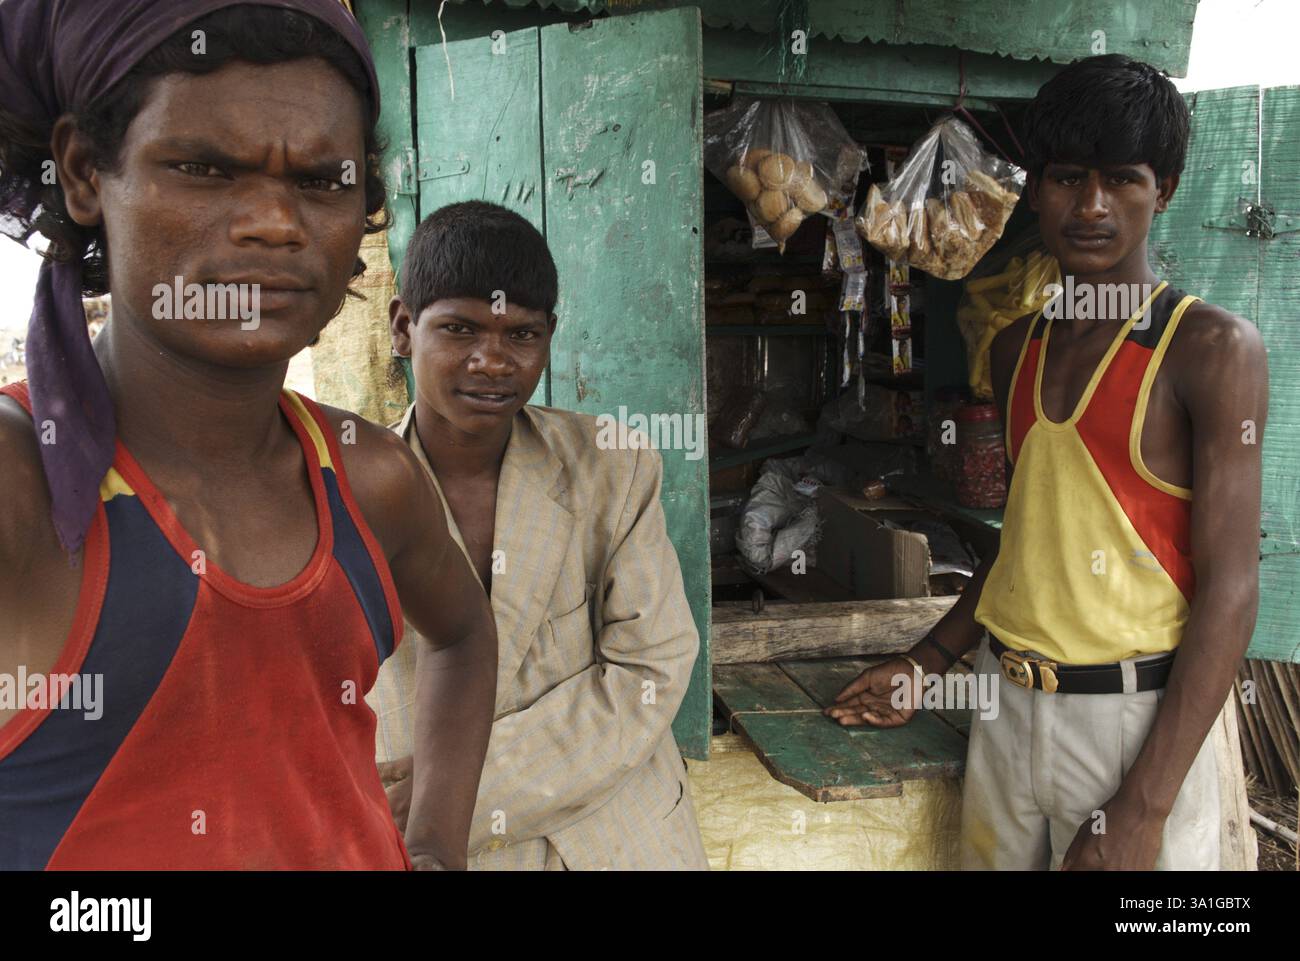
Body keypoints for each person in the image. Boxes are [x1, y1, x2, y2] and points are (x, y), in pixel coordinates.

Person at [0, 1, 497, 871]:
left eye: (319, 181)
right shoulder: (22, 487)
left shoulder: (371, 478)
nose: (275, 221)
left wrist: (436, 846)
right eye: (202, 167)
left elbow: (462, 635)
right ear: (83, 173)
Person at [827, 55, 1268, 870]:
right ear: (1034, 187)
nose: (1092, 206)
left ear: (1162, 188)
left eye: (1122, 180)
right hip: (1005, 705)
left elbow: (1233, 589)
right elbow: (1021, 548)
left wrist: (1143, 807)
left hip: (1134, 724)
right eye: (1068, 178)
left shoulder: (1208, 349)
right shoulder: (1014, 349)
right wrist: (927, 662)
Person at [367, 201, 709, 870]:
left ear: (550, 337)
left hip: (611, 835)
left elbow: (652, 667)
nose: (492, 360)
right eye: (460, 328)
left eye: (521, 335)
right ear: (405, 328)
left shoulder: (613, 466)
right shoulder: (343, 489)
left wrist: (444, 798)